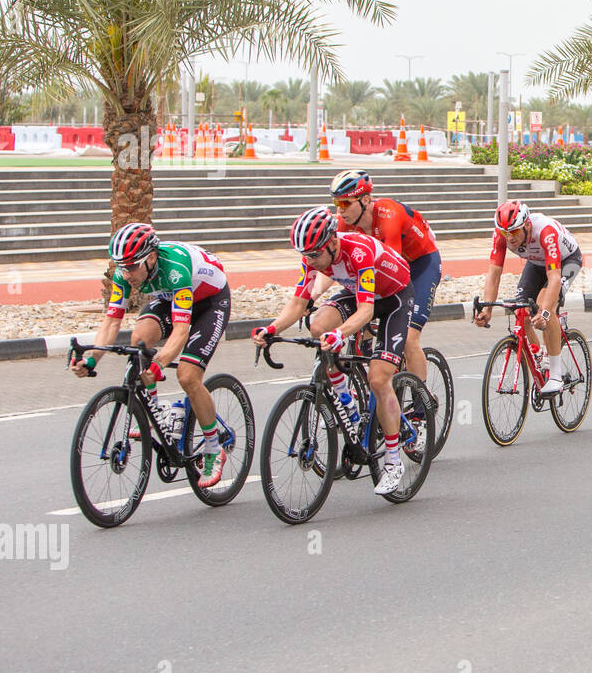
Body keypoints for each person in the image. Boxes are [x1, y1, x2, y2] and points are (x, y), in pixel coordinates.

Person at [253, 207, 414, 497]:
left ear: (331, 243)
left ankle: (392, 460)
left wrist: (341, 333)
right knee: (318, 326)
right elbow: (298, 303)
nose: (310, 261)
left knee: (378, 379)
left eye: (315, 255)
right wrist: (272, 329)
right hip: (360, 293)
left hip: (394, 298)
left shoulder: (359, 252)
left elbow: (366, 311)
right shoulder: (313, 257)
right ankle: (346, 399)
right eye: (306, 256)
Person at [69, 223, 231, 488]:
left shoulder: (175, 268)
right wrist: (91, 360)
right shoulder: (125, 273)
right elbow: (111, 323)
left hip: (210, 302)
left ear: (152, 257)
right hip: (172, 297)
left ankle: (214, 448)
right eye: (121, 266)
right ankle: (156, 412)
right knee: (139, 340)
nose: (126, 273)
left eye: (132, 266)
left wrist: (159, 364)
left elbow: (181, 331)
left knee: (187, 376)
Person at [329, 169, 441, 391]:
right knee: (364, 319)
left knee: (409, 338)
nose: (340, 211)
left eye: (345, 204)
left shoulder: (389, 214)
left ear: (366, 200)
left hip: (419, 265)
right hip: (385, 268)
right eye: (336, 204)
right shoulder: (345, 223)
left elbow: (392, 268)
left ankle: (421, 406)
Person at [473, 201, 583, 396]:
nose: (510, 238)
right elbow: (494, 274)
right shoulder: (502, 234)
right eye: (506, 234)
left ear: (527, 225)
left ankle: (556, 376)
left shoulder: (545, 232)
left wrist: (546, 313)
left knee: (542, 307)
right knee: (520, 310)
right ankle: (540, 356)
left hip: (566, 261)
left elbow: (555, 278)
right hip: (536, 262)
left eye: (515, 232)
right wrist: (487, 310)